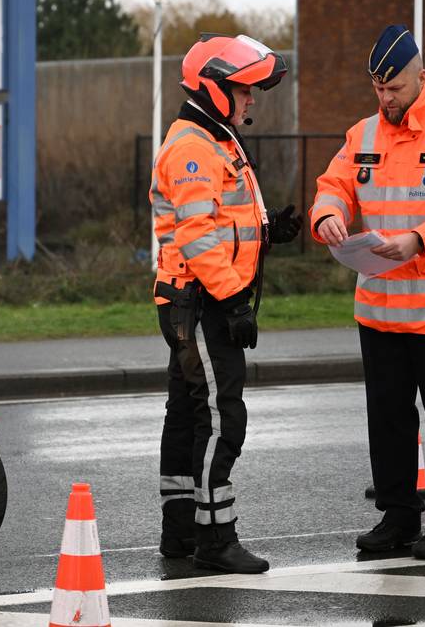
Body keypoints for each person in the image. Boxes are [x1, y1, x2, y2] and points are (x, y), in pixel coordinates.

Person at [308, 25, 425, 560]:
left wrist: (419, 239)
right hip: (380, 308)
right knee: (387, 415)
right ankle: (398, 517)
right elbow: (334, 186)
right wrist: (327, 217)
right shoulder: (362, 133)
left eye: (394, 88)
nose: (386, 99)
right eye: (378, 89)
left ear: (420, 76)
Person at [152, 34, 302, 574]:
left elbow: (221, 219)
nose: (252, 99)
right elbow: (197, 235)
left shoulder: (213, 137)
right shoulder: (194, 146)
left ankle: (181, 533)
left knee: (188, 417)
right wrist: (236, 301)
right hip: (204, 303)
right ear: (215, 88)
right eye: (244, 89)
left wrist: (268, 232)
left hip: (192, 300)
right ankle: (214, 539)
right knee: (220, 419)